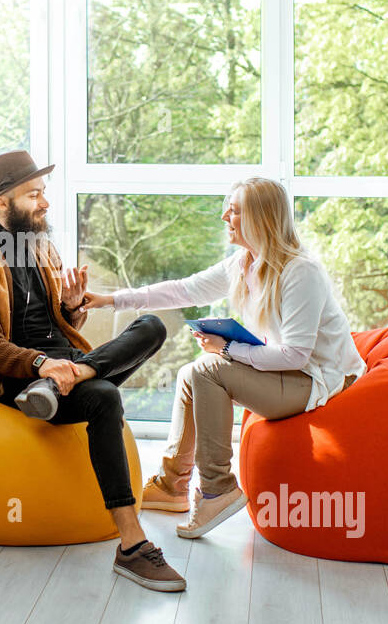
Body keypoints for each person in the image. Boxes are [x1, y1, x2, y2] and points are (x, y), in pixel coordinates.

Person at [0, 150, 186, 592]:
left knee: (151, 326)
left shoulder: (41, 248)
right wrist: (41, 363)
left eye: (43, 193)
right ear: (1, 203)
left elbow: (56, 322)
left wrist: (72, 309)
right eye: (33, 194)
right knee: (105, 398)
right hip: (18, 377)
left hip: (63, 366)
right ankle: (132, 546)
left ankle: (72, 379)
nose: (44, 203)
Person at [82, 176, 367, 540]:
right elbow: (183, 290)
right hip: (292, 371)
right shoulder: (244, 263)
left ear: (260, 218)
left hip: (319, 380)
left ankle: (218, 489)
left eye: (233, 210)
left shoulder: (300, 271)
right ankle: (172, 486)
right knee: (190, 373)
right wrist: (110, 300)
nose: (223, 217)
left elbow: (296, 355)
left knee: (207, 369)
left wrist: (229, 349)